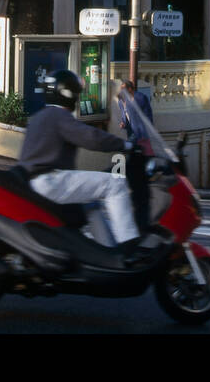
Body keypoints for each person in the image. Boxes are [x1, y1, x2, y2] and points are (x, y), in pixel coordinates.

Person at [17, 70, 159, 263]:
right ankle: (129, 247)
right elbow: (90, 137)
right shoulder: (59, 115)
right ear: (68, 94)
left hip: (37, 182)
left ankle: (108, 253)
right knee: (114, 183)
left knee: (90, 205)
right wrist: (124, 145)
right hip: (50, 180)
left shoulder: (39, 116)